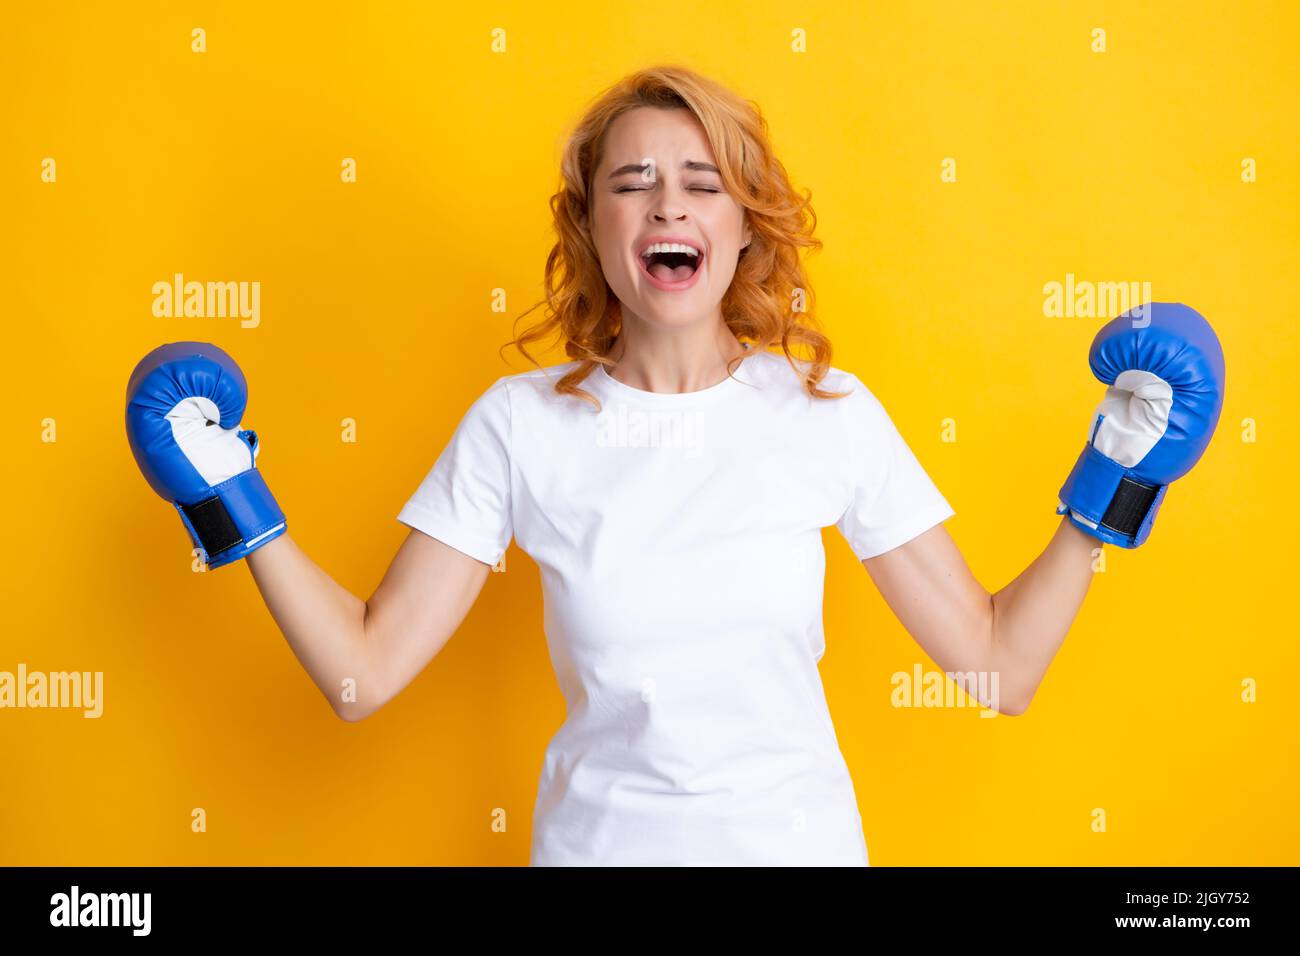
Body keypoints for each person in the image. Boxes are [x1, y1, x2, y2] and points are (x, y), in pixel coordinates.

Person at [123, 65, 1226, 866]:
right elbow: (363, 674)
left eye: (702, 182)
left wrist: (1114, 476)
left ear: (745, 227)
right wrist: (229, 497)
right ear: (593, 225)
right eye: (633, 181)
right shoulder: (519, 425)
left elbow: (999, 665)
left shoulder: (822, 414)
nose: (667, 204)